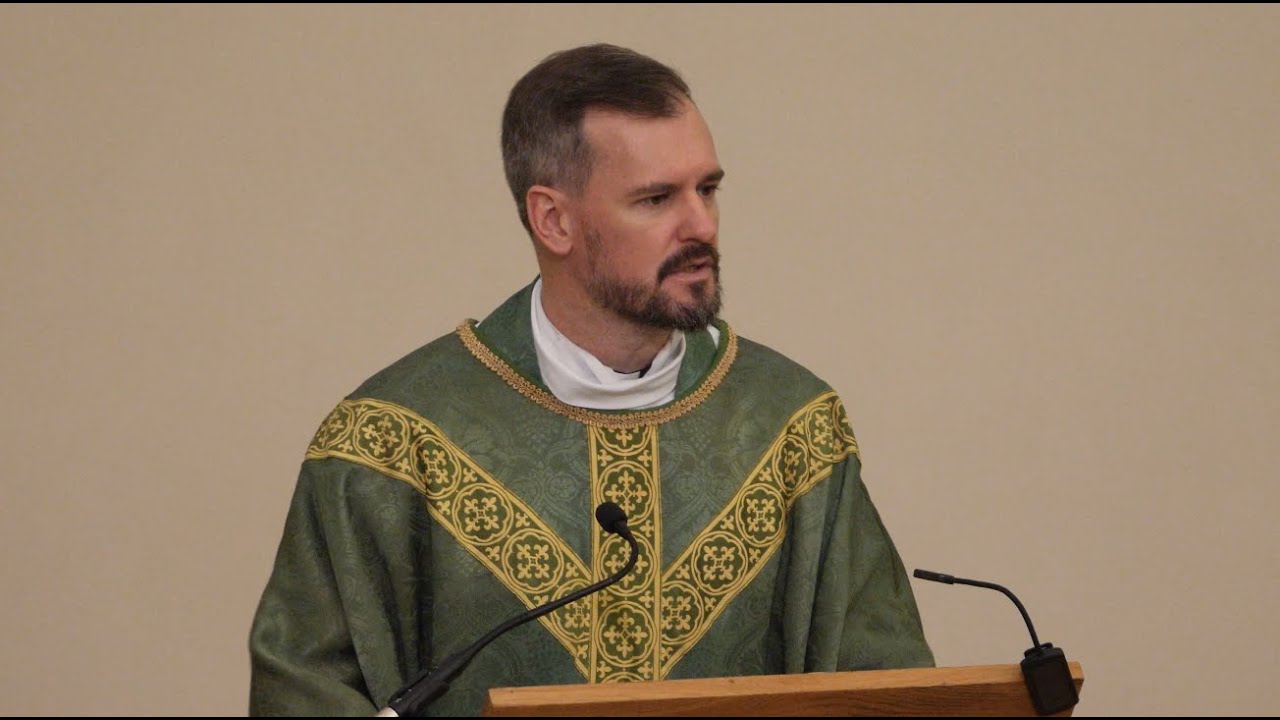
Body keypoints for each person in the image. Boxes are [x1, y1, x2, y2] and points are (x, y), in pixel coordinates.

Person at [249, 43, 934, 717]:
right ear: (555, 220)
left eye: (708, 189)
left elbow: (888, 686)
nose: (701, 225)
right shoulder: (391, 444)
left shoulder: (793, 429)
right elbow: (301, 688)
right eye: (656, 198)